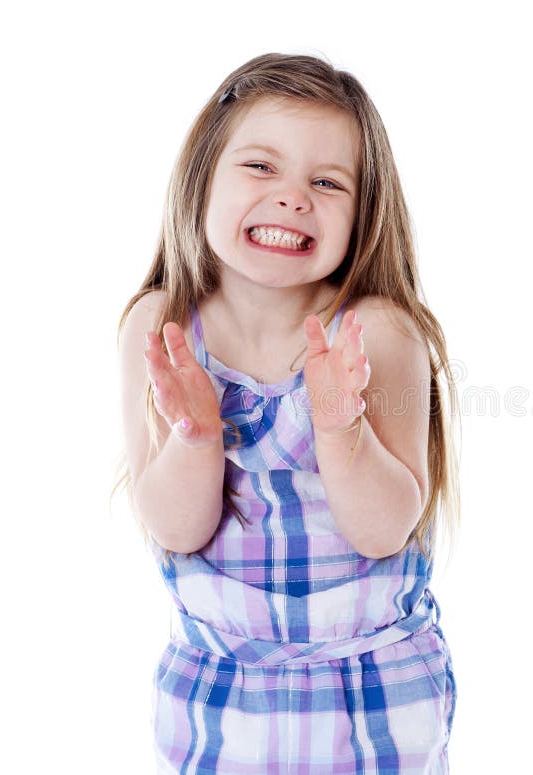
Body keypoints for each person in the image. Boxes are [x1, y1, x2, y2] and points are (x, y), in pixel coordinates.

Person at [115, 52, 461, 774]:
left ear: (363, 213)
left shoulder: (379, 331)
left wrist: (342, 430)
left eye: (327, 182)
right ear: (201, 175)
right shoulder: (162, 325)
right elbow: (176, 526)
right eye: (261, 167)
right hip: (219, 693)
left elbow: (383, 527)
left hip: (369, 693)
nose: (292, 197)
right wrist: (196, 434)